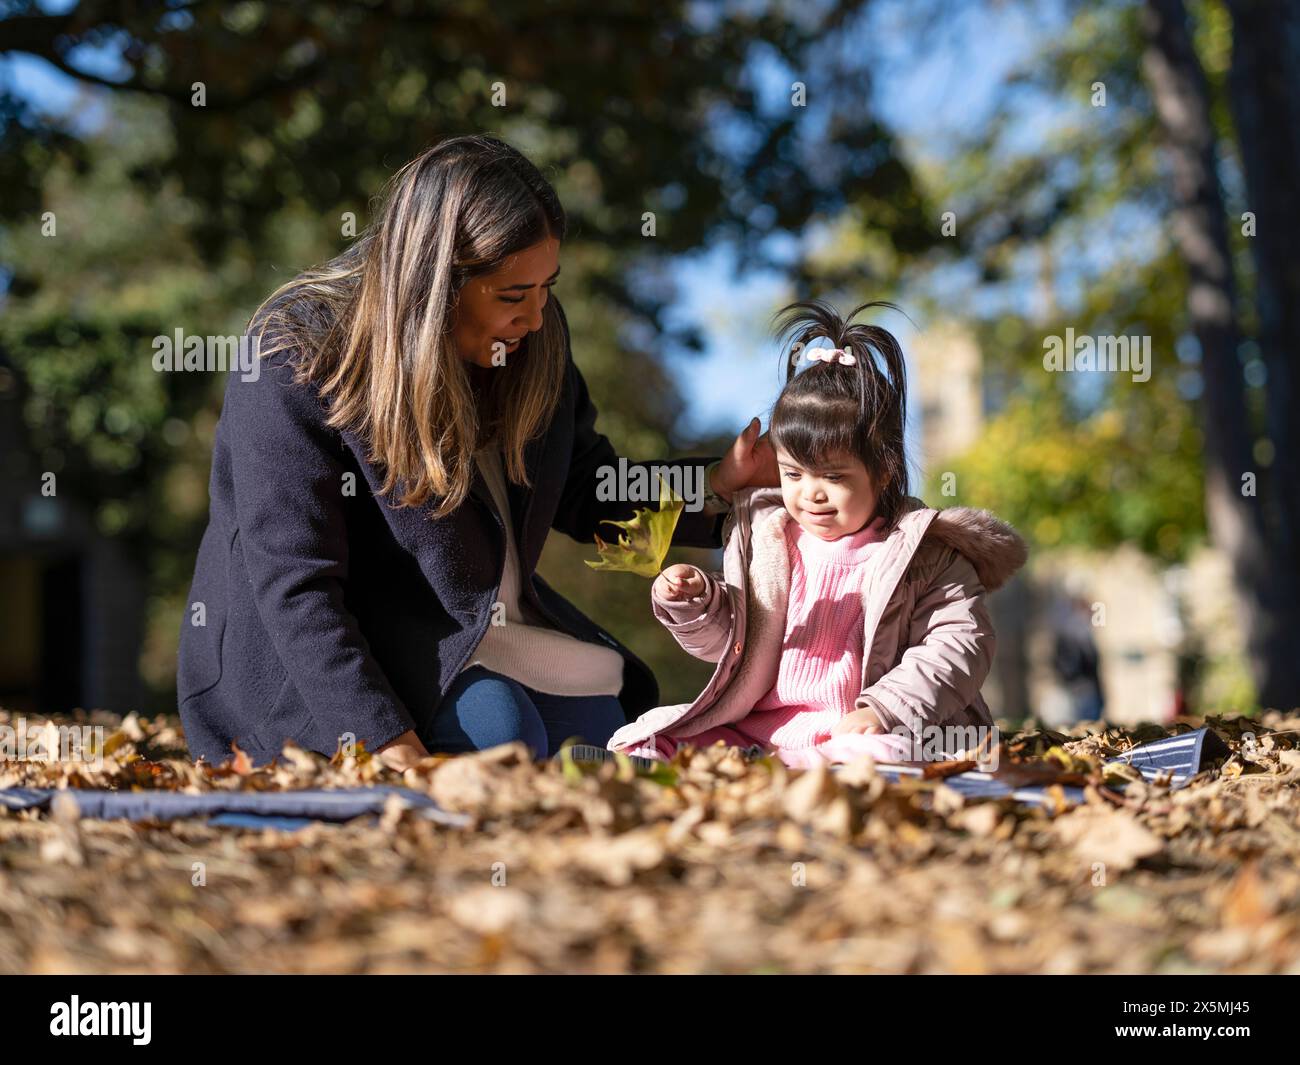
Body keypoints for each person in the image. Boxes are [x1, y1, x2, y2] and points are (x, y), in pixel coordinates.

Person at [176, 134, 777, 770]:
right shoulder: (293, 353)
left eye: (547, 287)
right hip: (316, 659)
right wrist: (384, 742)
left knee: (609, 737)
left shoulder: (532, 334)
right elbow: (295, 584)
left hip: (479, 631)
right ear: (433, 287)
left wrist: (715, 482)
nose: (538, 317)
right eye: (514, 296)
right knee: (506, 743)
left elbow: (583, 486)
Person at [608, 299, 1028, 768]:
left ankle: (820, 768)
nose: (811, 494)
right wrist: (698, 604)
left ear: (884, 471)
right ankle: (743, 764)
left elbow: (959, 643)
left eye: (834, 477)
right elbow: (735, 646)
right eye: (792, 474)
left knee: (880, 753)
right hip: (768, 732)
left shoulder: (926, 554)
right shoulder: (770, 542)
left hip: (872, 727)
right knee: (649, 735)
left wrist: (884, 707)